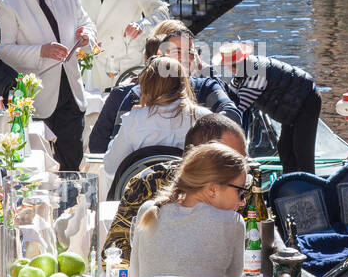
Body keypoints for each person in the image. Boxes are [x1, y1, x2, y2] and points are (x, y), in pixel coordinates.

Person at [0, 0, 97, 171]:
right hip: (35, 95)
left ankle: (69, 204)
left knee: (71, 162)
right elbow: (2, 50)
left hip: (71, 88)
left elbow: (86, 22)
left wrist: (87, 35)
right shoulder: (6, 2)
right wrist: (41, 50)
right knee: (37, 166)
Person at [104, 113, 246, 262]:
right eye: (231, 158)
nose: (242, 166)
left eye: (243, 158)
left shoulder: (243, 188)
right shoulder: (149, 184)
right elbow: (115, 254)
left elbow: (255, 254)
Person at [89, 21, 241, 153]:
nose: (185, 58)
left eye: (190, 53)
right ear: (160, 57)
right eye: (177, 52)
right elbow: (105, 143)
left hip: (193, 176)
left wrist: (200, 123)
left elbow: (232, 114)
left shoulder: (207, 87)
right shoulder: (135, 94)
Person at [129, 143, 250, 277]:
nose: (243, 201)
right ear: (212, 189)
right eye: (240, 191)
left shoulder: (148, 209)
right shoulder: (232, 222)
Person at [102, 56, 210, 186]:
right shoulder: (205, 118)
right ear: (183, 83)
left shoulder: (134, 119)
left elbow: (111, 168)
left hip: (141, 199)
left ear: (148, 85)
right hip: (189, 197)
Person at [217, 43, 322, 175]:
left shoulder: (254, 76)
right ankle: (291, 181)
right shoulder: (244, 69)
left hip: (306, 98)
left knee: (302, 149)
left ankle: (308, 184)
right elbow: (230, 92)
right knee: (284, 147)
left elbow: (238, 109)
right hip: (291, 103)